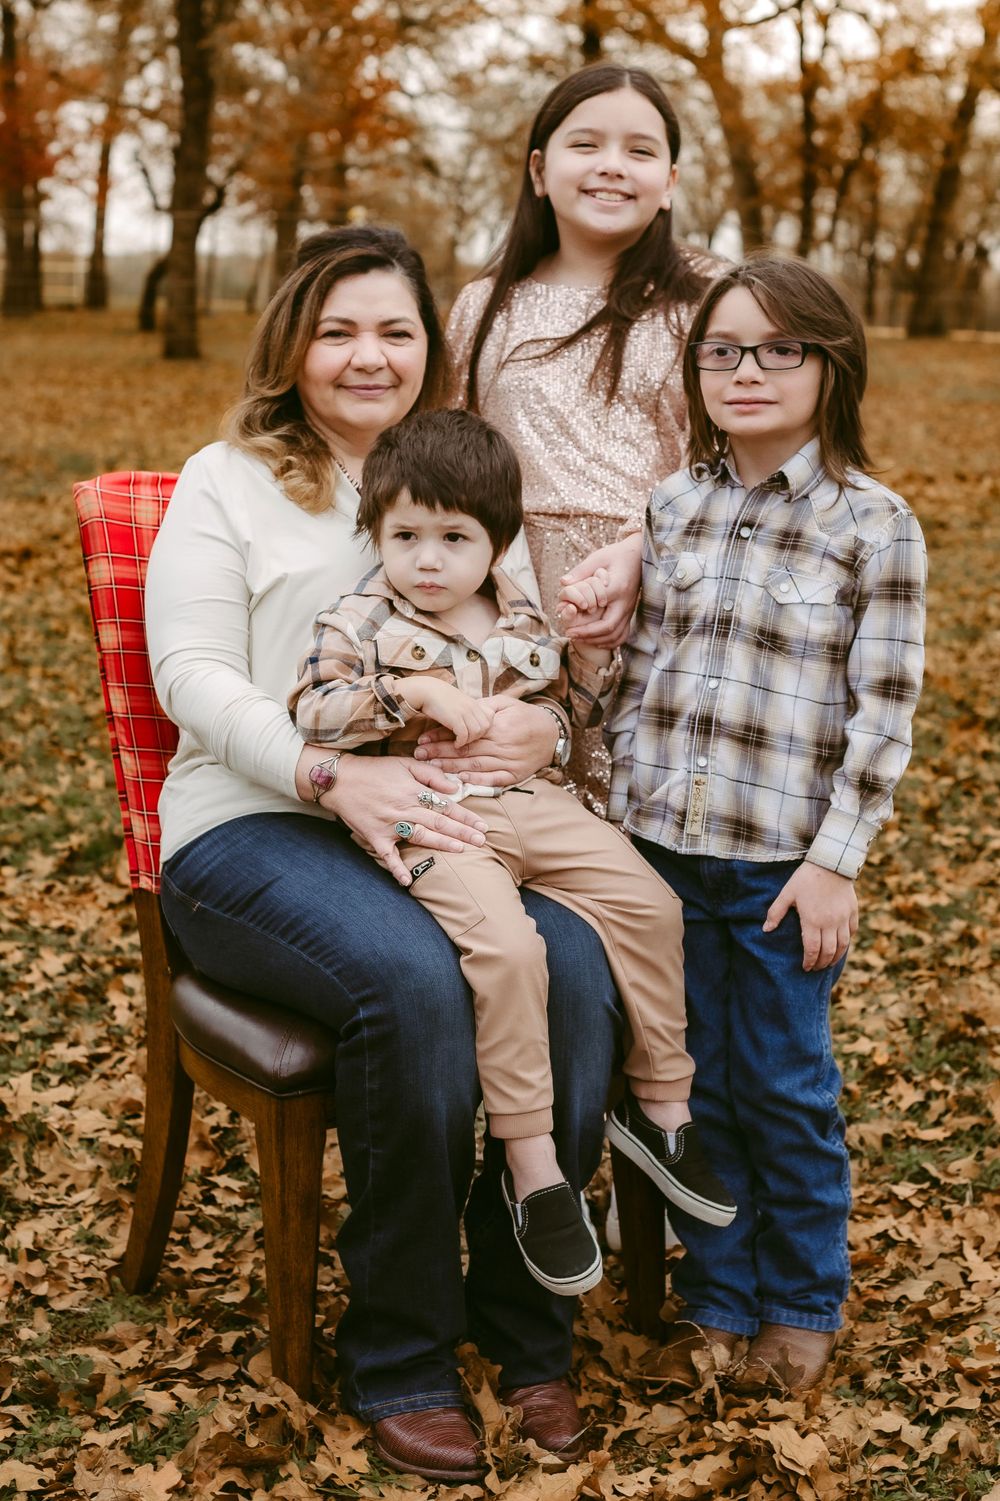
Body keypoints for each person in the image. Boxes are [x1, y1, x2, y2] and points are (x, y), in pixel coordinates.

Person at [144, 225, 627, 1485]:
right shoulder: (230, 481)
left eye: (397, 330)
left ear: (432, 346)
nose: (369, 355)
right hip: (256, 825)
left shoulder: (463, 479)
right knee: (408, 986)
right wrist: (326, 770)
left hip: (448, 823)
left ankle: (530, 1326)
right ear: (293, 340)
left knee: (573, 969)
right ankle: (402, 1351)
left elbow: (525, 655)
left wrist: (535, 721)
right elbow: (189, 675)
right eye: (339, 328)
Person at [288, 407, 737, 1300]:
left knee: (650, 905)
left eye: (453, 537)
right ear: (374, 533)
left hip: (538, 805)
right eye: (404, 534)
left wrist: (549, 723)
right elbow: (311, 708)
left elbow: (572, 712)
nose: (426, 559)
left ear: (496, 542)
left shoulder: (522, 612)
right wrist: (405, 693)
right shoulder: (360, 619)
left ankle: (663, 1112)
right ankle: (533, 1165)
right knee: (507, 948)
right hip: (437, 816)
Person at [605, 254, 927, 1396]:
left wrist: (835, 863)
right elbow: (642, 675)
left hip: (780, 870)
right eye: (722, 350)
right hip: (660, 857)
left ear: (828, 365)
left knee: (783, 1083)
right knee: (690, 1084)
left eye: (778, 349)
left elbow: (883, 712)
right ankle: (720, 1291)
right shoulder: (675, 506)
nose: (746, 371)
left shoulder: (870, 525)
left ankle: (799, 1295)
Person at [440, 62, 716, 814]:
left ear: (671, 180)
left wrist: (640, 548)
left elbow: (744, 461)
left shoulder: (711, 302)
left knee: (654, 833)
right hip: (517, 605)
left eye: (639, 150)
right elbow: (447, 465)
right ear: (539, 169)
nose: (611, 166)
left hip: (665, 601)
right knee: (538, 825)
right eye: (585, 143)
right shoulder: (483, 307)